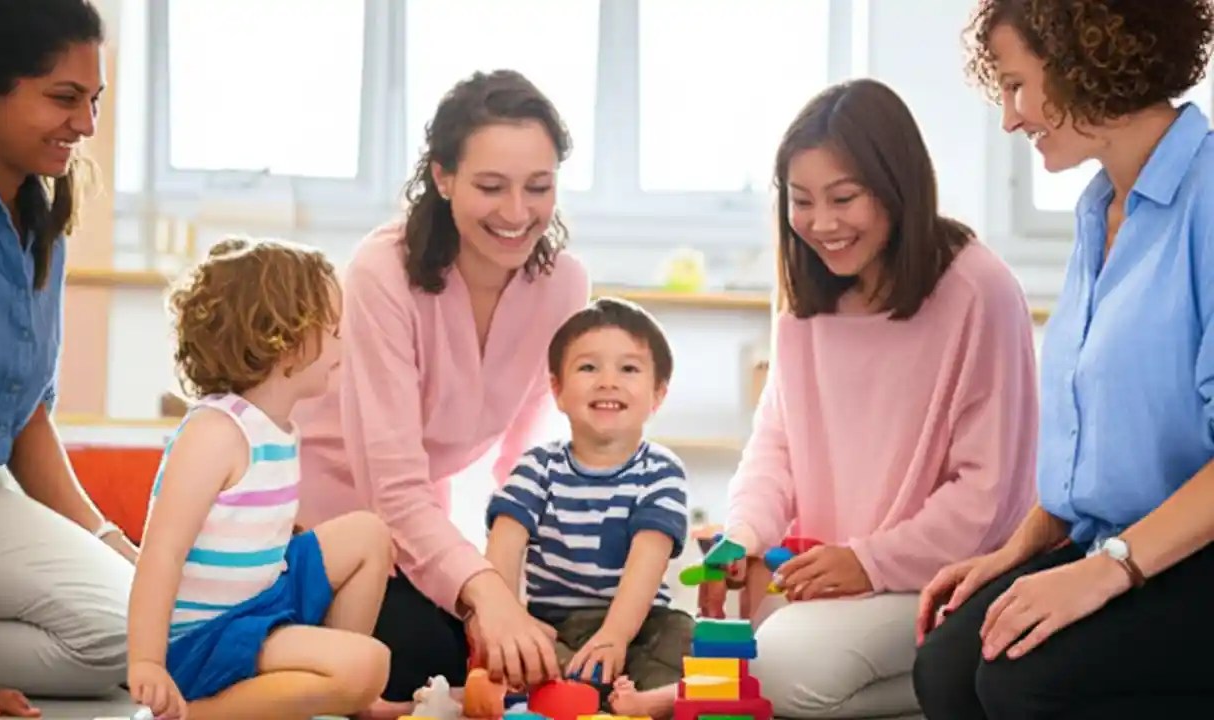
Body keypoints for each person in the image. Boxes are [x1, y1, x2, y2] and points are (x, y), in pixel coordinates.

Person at [697, 78, 1040, 719]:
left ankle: (973, 687)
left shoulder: (979, 289)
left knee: (778, 668)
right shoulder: (805, 287)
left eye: (844, 198)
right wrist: (745, 532)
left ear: (895, 186)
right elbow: (777, 439)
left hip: (944, 575)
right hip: (833, 575)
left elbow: (986, 495)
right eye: (802, 201)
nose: (821, 224)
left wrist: (868, 562)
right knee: (728, 644)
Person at [913, 2, 1214, 718]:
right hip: (1116, 541)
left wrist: (1108, 571)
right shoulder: (1100, 211)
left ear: (1089, 66)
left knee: (1027, 682)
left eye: (1018, 86)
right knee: (949, 667)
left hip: (1191, 548)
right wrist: (1018, 551)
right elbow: (1106, 444)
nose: (1011, 118)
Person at [291, 68, 591, 702]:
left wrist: (521, 583)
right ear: (443, 177)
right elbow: (391, 487)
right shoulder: (383, 272)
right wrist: (483, 592)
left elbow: (527, 461)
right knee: (435, 655)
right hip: (317, 524)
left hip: (414, 528)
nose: (517, 213)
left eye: (538, 187)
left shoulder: (563, 284)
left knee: (539, 645)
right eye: (491, 186)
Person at [0, 0, 136, 715]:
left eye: (95, 101)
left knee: (142, 621)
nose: (85, 125)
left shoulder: (38, 214)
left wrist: (112, 541)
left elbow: (25, 418)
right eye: (63, 98)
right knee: (119, 632)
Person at [127, 238, 394, 720]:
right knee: (370, 663)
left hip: (261, 602)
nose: (343, 343)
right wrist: (146, 660)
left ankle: (341, 694)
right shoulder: (215, 431)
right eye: (333, 331)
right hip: (207, 639)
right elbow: (160, 554)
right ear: (284, 338)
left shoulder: (278, 424)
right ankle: (195, 714)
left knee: (368, 534)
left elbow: (262, 525)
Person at [484, 297, 691, 718]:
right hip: (556, 624)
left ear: (657, 395)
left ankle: (641, 700)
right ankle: (585, 696)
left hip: (640, 624)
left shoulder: (661, 470)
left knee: (686, 637)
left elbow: (648, 558)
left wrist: (616, 634)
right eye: (588, 367)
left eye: (629, 369)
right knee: (522, 654)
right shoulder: (537, 466)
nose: (607, 381)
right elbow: (504, 546)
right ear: (557, 390)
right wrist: (508, 621)